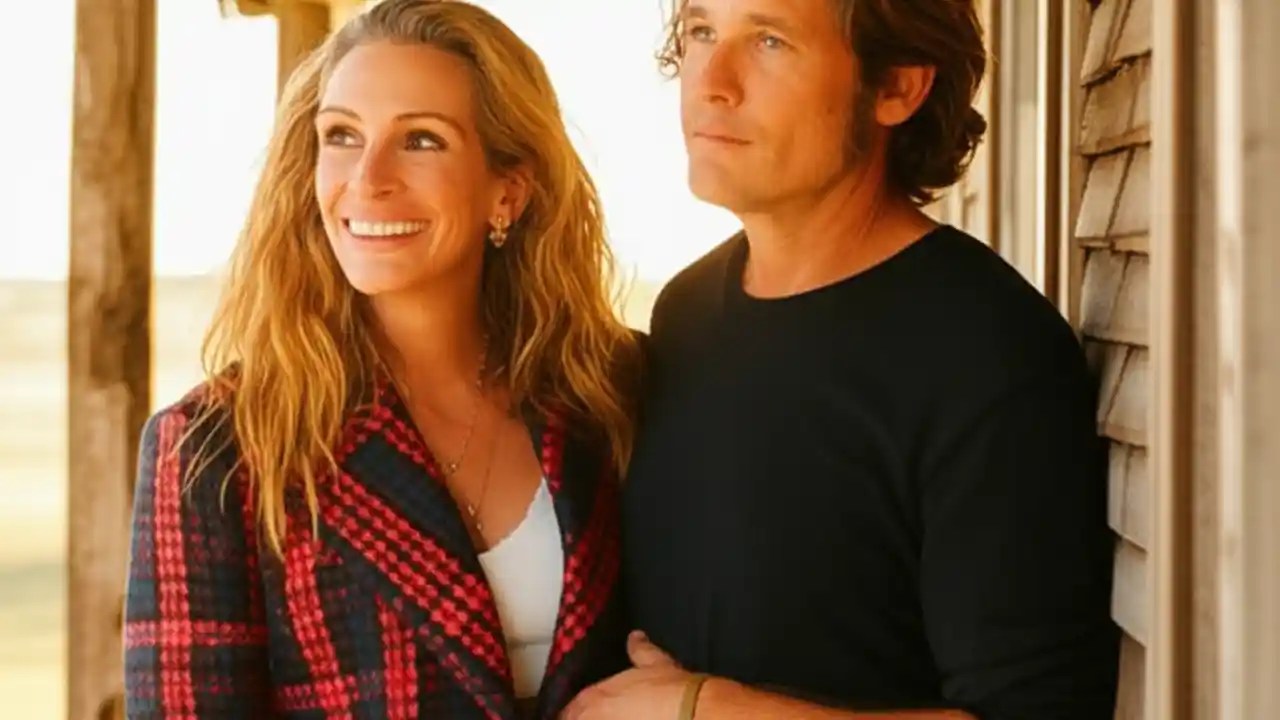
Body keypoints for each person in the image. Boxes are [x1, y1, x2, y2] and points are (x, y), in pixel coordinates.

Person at [564, 0, 1119, 718]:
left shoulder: (987, 352)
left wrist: (706, 711)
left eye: (768, 40)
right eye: (702, 31)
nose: (711, 81)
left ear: (897, 88)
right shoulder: (687, 313)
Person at [123, 1, 641, 717]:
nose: (367, 178)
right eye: (341, 135)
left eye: (421, 140)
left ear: (508, 191)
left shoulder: (608, 395)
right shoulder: (219, 448)